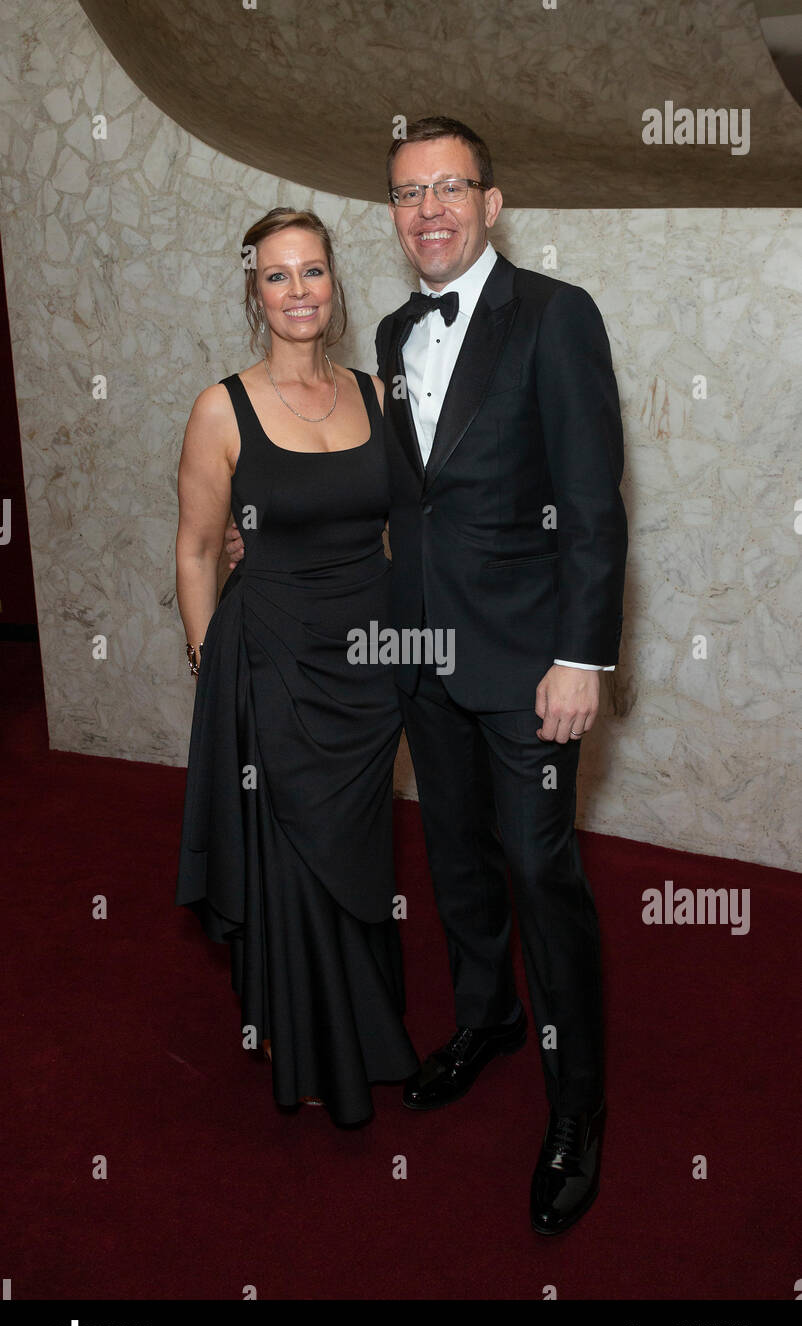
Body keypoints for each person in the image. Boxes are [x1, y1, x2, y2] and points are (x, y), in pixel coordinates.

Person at [227, 115, 628, 1233]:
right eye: (408, 194)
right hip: (423, 657)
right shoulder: (395, 337)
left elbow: (593, 506)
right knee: (455, 863)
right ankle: (486, 1016)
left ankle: (578, 1111)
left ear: (490, 204)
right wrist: (261, 538)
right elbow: (386, 494)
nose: (431, 210)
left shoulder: (556, 317)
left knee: (540, 872)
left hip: (532, 667)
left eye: (450, 188)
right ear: (394, 217)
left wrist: (581, 656)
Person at [175, 207, 418, 1127]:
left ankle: (361, 1017)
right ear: (254, 291)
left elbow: (408, 528)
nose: (298, 291)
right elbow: (199, 549)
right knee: (291, 856)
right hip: (270, 660)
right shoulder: (221, 408)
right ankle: (303, 1033)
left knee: (357, 850)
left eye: (312, 271)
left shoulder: (376, 394)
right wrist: (213, 668)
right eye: (276, 276)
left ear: (335, 282)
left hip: (366, 668)